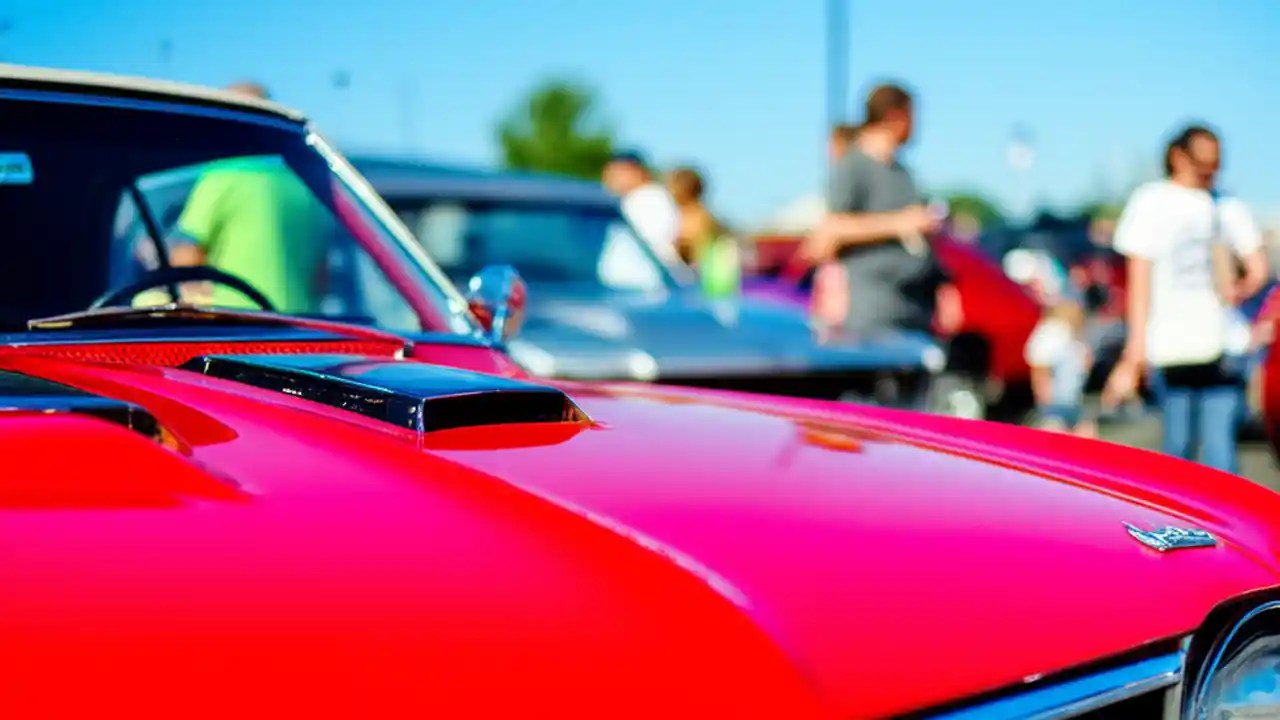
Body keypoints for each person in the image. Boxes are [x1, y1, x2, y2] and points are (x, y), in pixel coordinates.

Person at [1103, 124, 1268, 473]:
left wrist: (1135, 349)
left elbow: (1258, 271)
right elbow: (1258, 270)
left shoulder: (1171, 202)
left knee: (1192, 450)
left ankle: (1195, 526)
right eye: (1204, 162)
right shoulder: (1195, 203)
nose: (1211, 171)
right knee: (1201, 448)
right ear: (1177, 157)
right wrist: (1136, 350)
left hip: (1204, 342)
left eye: (1215, 163)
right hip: (1188, 342)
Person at [802, 83, 959, 340]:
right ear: (895, 116)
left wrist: (942, 285)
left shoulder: (903, 172)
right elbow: (830, 230)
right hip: (873, 315)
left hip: (916, 312)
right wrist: (899, 222)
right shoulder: (853, 166)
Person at [167, 81, 330, 312]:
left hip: (236, 328)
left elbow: (185, 258)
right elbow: (322, 278)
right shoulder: (310, 186)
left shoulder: (223, 176)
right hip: (304, 330)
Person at [1026, 297, 1095, 437]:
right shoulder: (1052, 333)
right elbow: (1040, 369)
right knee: (1055, 434)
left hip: (1073, 402)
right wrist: (1045, 396)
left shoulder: (1074, 337)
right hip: (1055, 403)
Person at [667, 167, 739, 299]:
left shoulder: (692, 216)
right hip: (718, 287)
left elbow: (692, 256)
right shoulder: (707, 216)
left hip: (701, 288)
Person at [602, 150, 681, 265]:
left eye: (617, 172)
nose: (609, 179)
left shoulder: (648, 199)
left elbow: (652, 247)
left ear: (637, 172)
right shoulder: (635, 199)